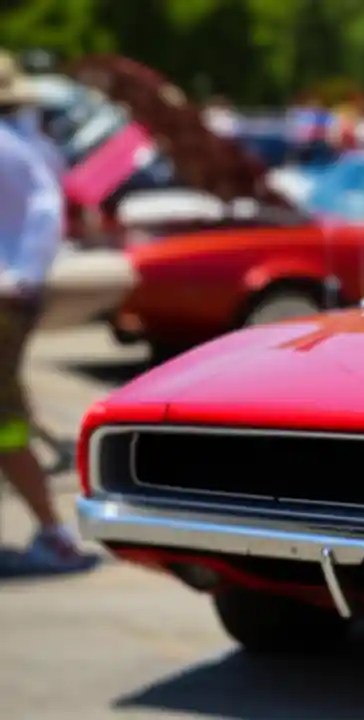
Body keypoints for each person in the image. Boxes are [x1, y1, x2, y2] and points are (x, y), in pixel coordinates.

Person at [0, 52, 99, 573]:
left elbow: (43, 212)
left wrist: (21, 274)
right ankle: (52, 527)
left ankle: (54, 531)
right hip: (14, 293)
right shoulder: (26, 145)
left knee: (4, 421)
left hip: (6, 295)